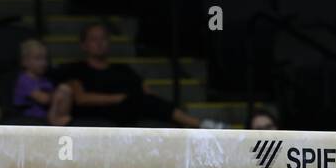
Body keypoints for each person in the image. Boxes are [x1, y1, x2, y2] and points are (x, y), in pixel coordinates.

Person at [52, 23, 216, 127]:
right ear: (84, 45)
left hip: (130, 110)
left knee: (151, 105)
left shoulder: (123, 69)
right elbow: (82, 99)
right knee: (141, 101)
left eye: (104, 38)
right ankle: (200, 124)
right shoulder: (75, 69)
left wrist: (136, 100)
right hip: (99, 111)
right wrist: (121, 98)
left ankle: (195, 127)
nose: (100, 43)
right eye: (94, 39)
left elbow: (146, 92)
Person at [12, 39, 73, 125]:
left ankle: (58, 117)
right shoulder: (24, 80)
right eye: (38, 58)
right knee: (63, 90)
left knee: (65, 89)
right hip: (29, 118)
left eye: (45, 58)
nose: (44, 63)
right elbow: (44, 99)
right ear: (24, 61)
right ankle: (54, 119)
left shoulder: (45, 80)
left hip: (46, 116)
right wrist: (59, 94)